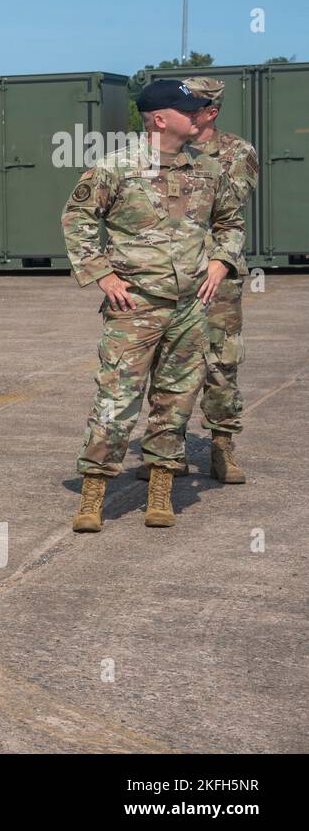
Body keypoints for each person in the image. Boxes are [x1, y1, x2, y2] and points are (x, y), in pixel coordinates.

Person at [63, 79, 245, 532]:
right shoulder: (116, 168)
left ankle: (160, 488)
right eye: (190, 109)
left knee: (175, 400)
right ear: (162, 119)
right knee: (116, 399)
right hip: (135, 307)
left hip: (189, 306)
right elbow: (77, 218)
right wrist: (101, 274)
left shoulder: (206, 169)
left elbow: (231, 221)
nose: (200, 114)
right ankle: (93, 494)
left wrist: (222, 261)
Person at [134, 76, 256, 484]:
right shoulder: (158, 151)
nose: (185, 111)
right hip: (170, 276)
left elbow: (229, 208)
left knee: (222, 363)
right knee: (170, 365)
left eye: (193, 107)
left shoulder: (236, 152)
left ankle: (223, 447)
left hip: (216, 276)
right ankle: (170, 452)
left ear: (210, 111)